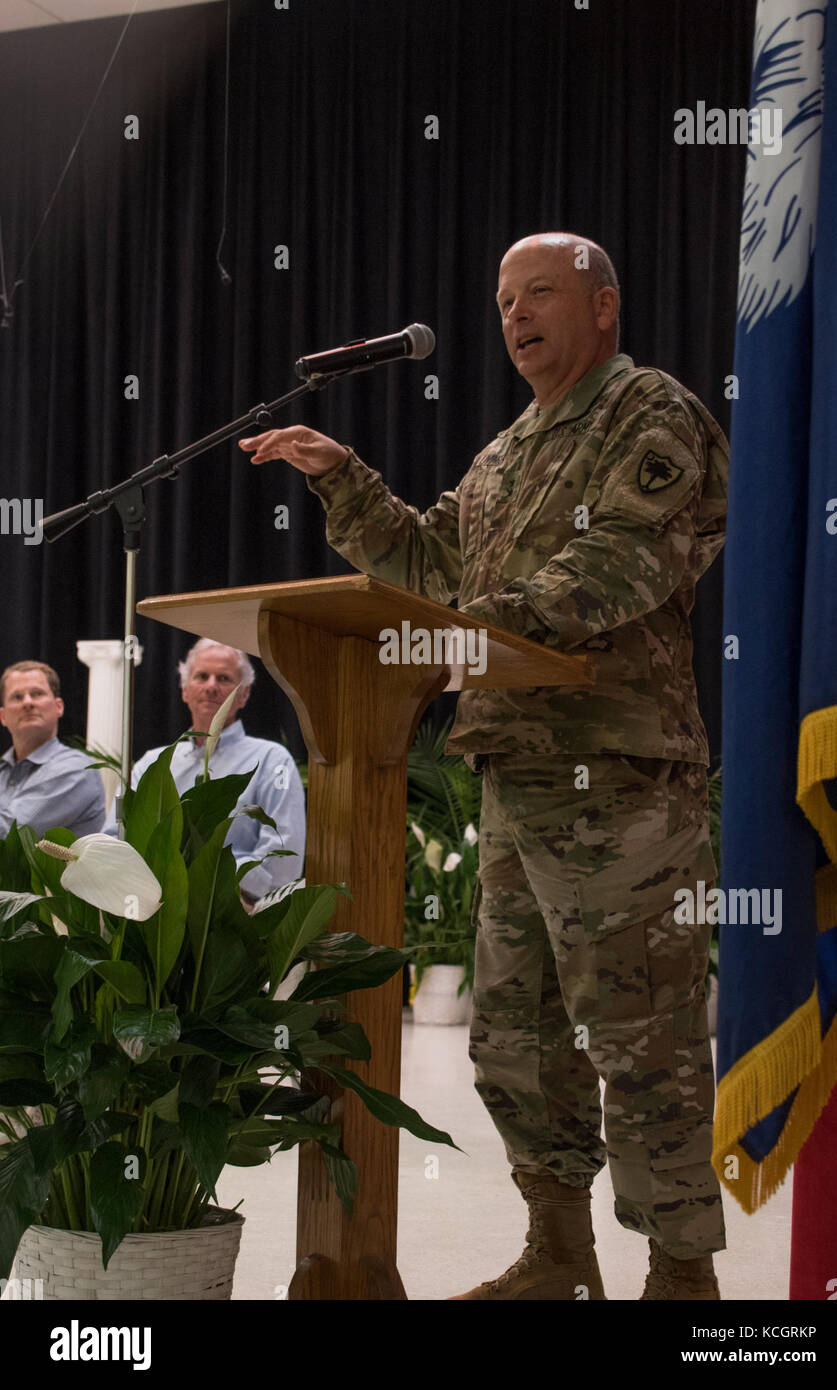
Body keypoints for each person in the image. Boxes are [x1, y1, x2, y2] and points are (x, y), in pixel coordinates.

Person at [238, 232, 729, 1300]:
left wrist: (472, 634)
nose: (515, 316)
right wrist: (344, 480)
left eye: (539, 294)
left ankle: (681, 1278)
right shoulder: (506, 453)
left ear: (603, 304)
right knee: (517, 1038)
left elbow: (619, 562)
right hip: (513, 769)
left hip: (621, 771)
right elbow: (426, 559)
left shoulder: (650, 412)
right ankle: (559, 1254)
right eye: (504, 301)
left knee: (639, 1035)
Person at [110, 639, 305, 902]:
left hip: (237, 912)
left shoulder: (272, 761)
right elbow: (115, 836)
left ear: (244, 694)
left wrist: (203, 874)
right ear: (185, 690)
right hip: (150, 908)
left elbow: (281, 863)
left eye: (224, 678)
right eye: (202, 676)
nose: (211, 686)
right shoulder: (151, 765)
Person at [0, 660, 106, 840]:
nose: (27, 702)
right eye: (17, 697)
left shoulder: (77, 769)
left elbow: (11, 835)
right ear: (3, 716)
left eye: (37, 694)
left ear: (59, 706)